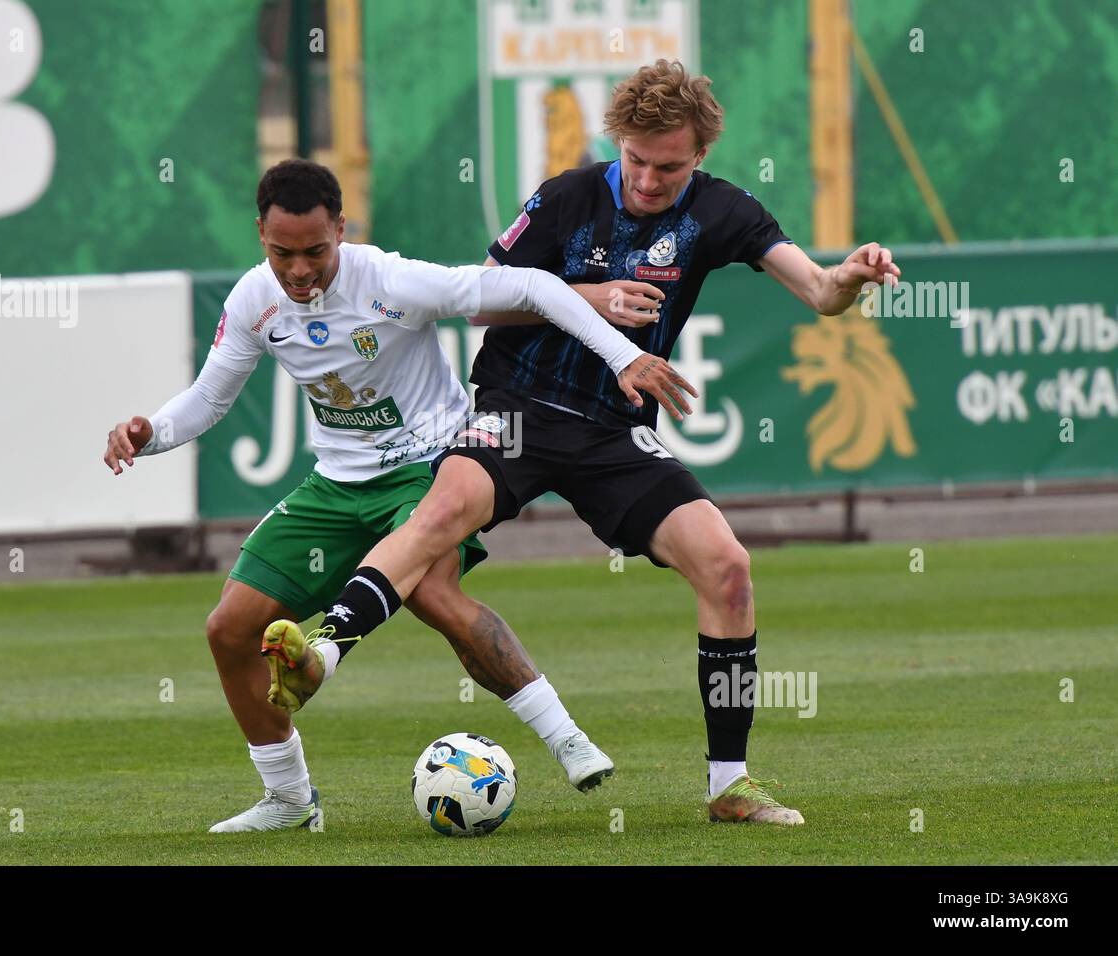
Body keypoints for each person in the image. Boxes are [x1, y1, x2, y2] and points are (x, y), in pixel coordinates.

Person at [262, 61, 902, 826]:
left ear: (700, 155)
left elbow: (819, 292)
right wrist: (587, 298)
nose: (648, 180)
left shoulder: (725, 212)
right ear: (618, 142)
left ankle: (728, 783)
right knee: (441, 511)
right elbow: (484, 308)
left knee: (728, 568)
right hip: (519, 408)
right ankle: (322, 654)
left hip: (615, 430)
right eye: (635, 159)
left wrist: (851, 277)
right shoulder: (566, 197)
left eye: (669, 166)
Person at [102, 158, 692, 832]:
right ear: (261, 235)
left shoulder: (390, 281)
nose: (297, 270)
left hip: (429, 467)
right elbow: (208, 399)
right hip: (336, 482)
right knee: (228, 630)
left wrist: (623, 357)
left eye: (315, 252)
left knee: (433, 595)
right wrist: (148, 433)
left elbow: (528, 286)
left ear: (341, 231)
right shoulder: (251, 301)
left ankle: (567, 739)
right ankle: (291, 802)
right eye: (280, 252)